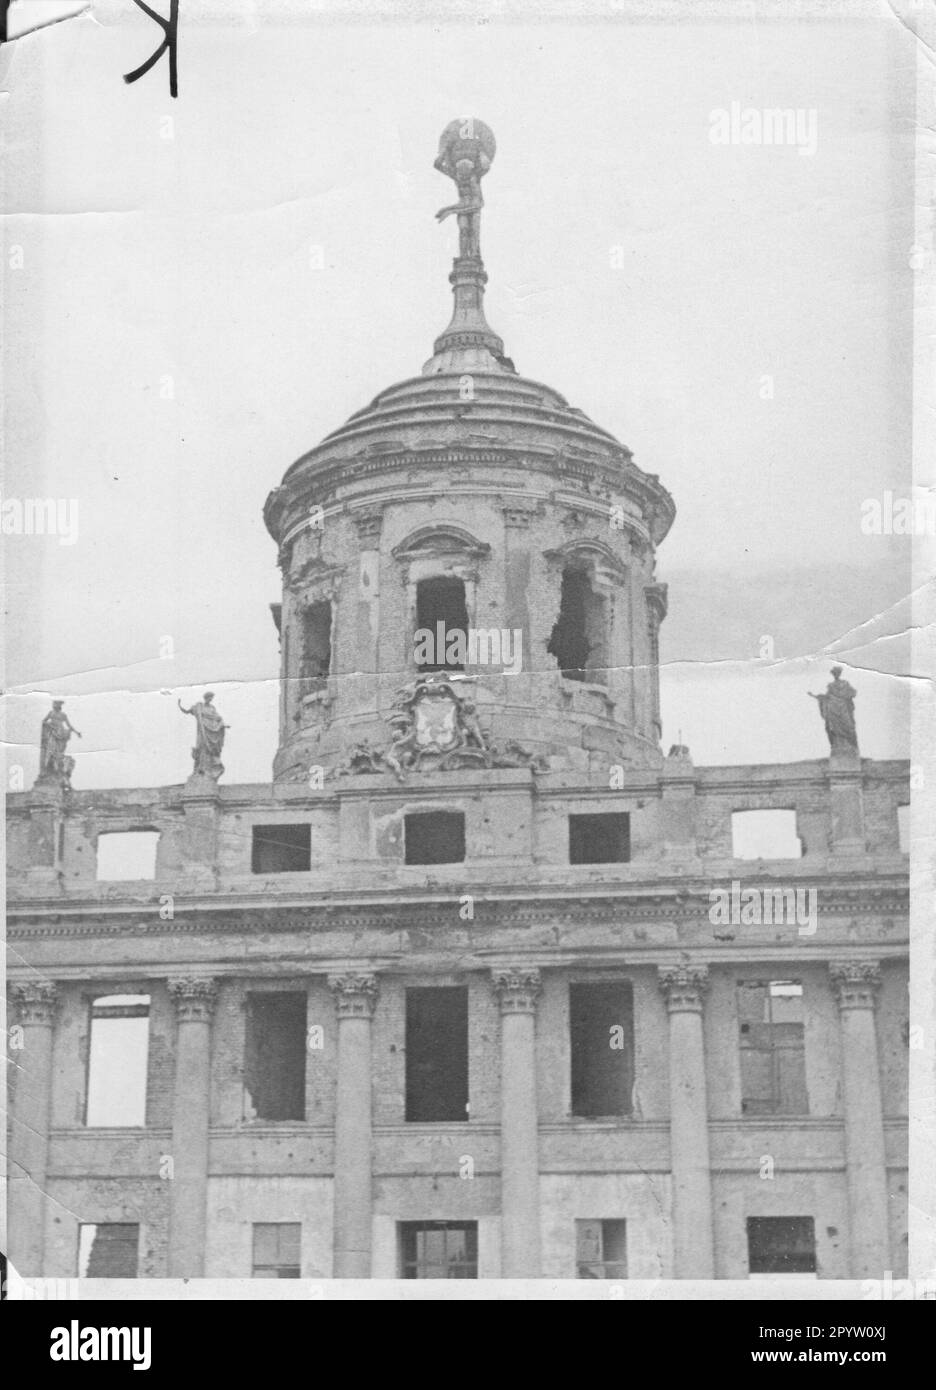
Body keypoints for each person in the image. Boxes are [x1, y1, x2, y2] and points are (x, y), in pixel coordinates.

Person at [178, 691, 228, 778]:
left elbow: (218, 718)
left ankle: (209, 771)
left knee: (211, 751)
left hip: (212, 732)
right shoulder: (199, 707)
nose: (211, 699)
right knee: (202, 749)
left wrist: (223, 725)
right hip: (203, 732)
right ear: (206, 698)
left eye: (212, 698)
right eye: (209, 698)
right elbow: (187, 711)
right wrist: (180, 706)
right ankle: (200, 770)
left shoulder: (212, 708)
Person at [809, 666, 858, 754]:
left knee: (848, 726)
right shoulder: (831, 686)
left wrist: (845, 696)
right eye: (834, 673)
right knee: (833, 729)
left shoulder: (845, 683)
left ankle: (850, 746)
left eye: (836, 673)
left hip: (843, 710)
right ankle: (839, 747)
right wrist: (815, 696)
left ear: (839, 674)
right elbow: (826, 697)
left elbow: (853, 693)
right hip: (833, 711)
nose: (836, 675)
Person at [38, 700, 81, 784]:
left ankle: (57, 766)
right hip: (52, 733)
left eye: (57, 705)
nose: (56, 706)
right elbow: (44, 721)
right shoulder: (51, 713)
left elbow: (69, 725)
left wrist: (76, 732)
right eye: (55, 705)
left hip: (60, 733)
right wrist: (49, 725)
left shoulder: (63, 715)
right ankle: (51, 766)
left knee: (59, 751)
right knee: (51, 749)